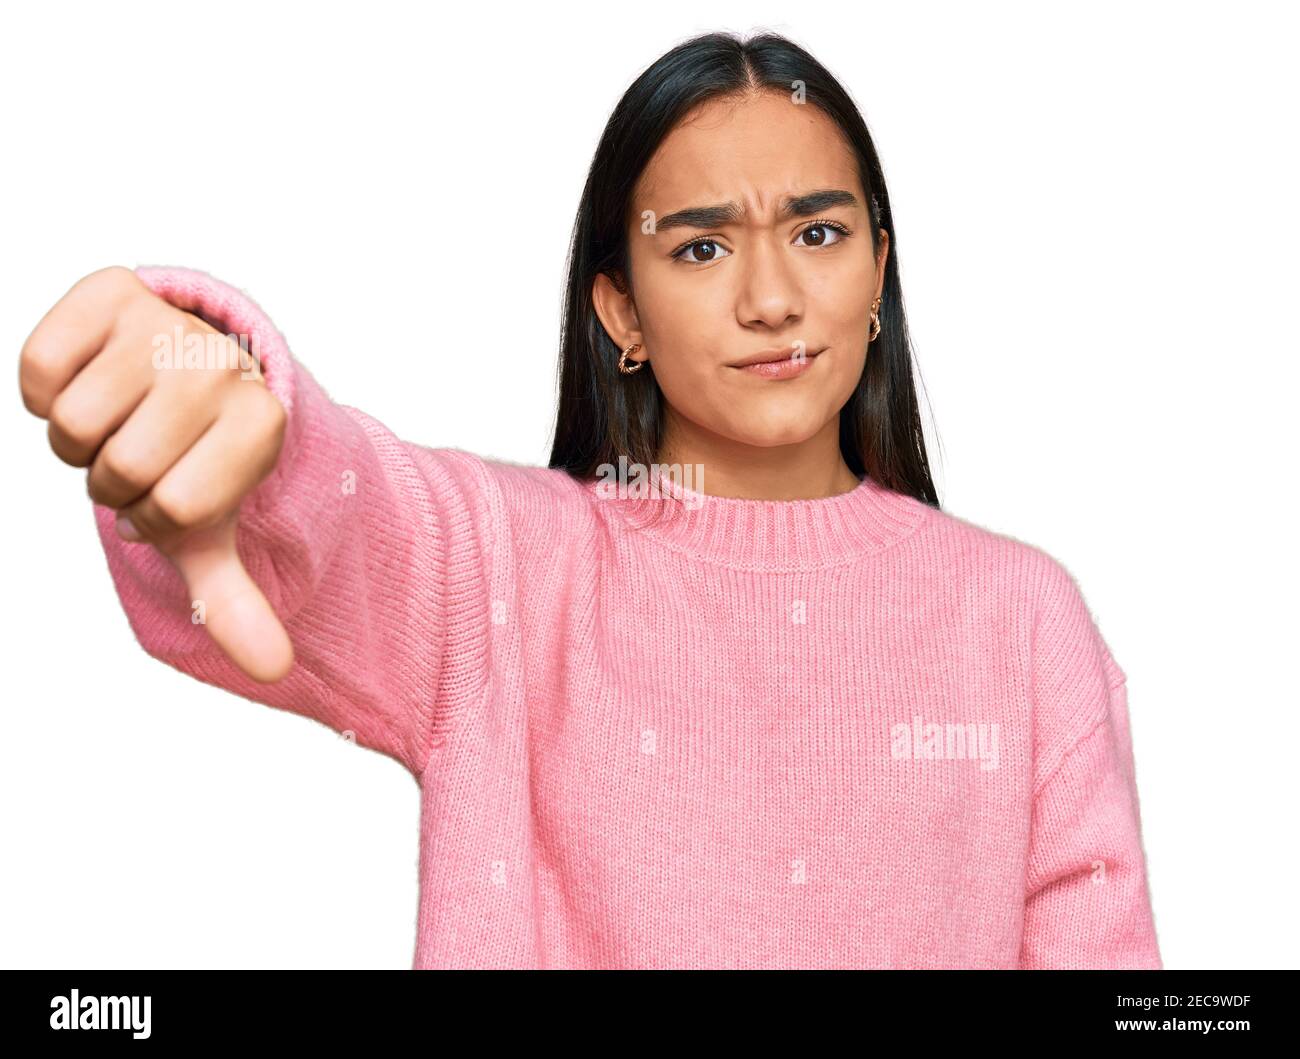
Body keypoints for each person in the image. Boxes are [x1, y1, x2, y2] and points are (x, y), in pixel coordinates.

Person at [17, 30, 1161, 969]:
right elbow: (330, 503)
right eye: (701, 249)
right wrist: (210, 384)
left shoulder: (1020, 621)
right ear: (620, 309)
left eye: (817, 233)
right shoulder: (502, 570)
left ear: (876, 270)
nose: (770, 297)